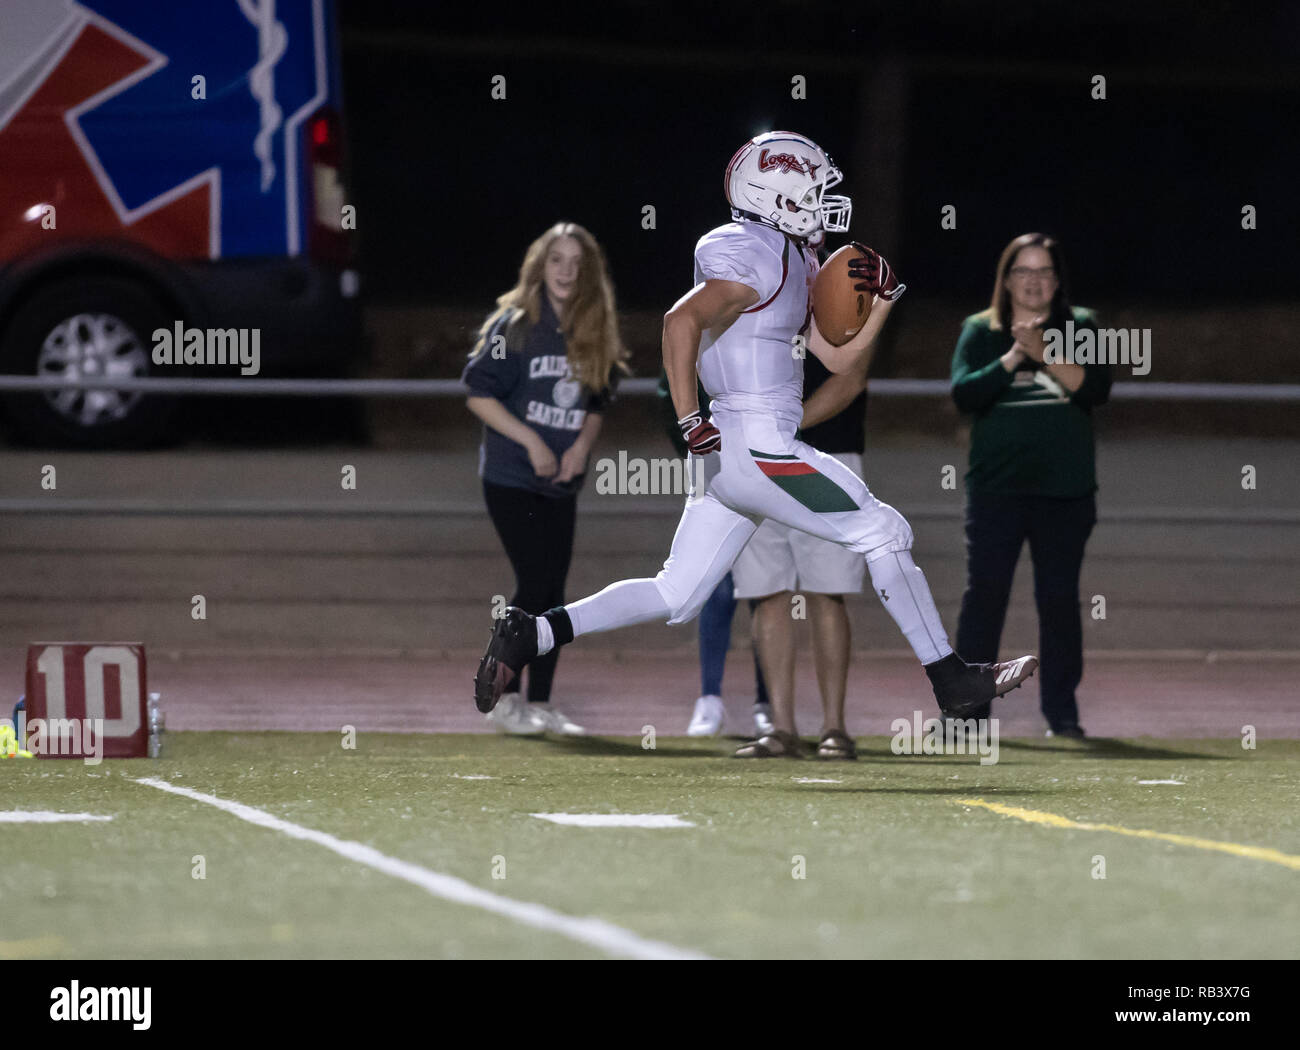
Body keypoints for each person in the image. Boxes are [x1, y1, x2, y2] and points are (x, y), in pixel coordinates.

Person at [473, 132, 1038, 728]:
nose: (825, 205)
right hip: (757, 444)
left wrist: (886, 302)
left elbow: (839, 361)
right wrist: (689, 417)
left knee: (677, 594)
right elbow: (679, 321)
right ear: (776, 198)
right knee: (884, 531)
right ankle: (952, 680)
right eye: (814, 193)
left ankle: (531, 633)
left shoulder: (792, 257)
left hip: (737, 456)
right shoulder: (754, 251)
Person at [462, 222, 627, 735]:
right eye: (557, 260)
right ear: (540, 265)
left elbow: (598, 399)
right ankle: (506, 694)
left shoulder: (592, 326)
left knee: (554, 592)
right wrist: (532, 442)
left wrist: (581, 445)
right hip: (512, 478)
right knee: (536, 580)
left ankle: (544, 703)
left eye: (577, 263)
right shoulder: (512, 325)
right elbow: (477, 392)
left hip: (562, 483)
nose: (566, 271)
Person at [950, 233, 1111, 739]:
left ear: (1058, 280)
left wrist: (1043, 351)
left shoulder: (1082, 325)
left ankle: (1061, 713)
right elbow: (964, 394)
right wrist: (1014, 356)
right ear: (1007, 279)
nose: (1034, 281)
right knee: (984, 598)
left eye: (1044, 272)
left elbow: (1096, 390)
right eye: (1023, 271)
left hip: (1065, 493)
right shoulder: (980, 329)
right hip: (996, 490)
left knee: (1059, 601)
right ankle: (969, 714)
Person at [732, 341, 872, 759]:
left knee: (827, 591)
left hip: (829, 453)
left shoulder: (847, 282)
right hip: (755, 457)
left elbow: (850, 378)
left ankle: (834, 726)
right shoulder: (751, 284)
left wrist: (784, 427)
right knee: (766, 591)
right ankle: (781, 728)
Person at [656, 369, 772, 737]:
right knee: (713, 589)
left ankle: (767, 701)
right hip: (714, 467)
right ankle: (709, 698)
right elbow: (668, 390)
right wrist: (696, 441)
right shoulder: (701, 319)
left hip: (767, 467)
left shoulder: (776, 321)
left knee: (766, 587)